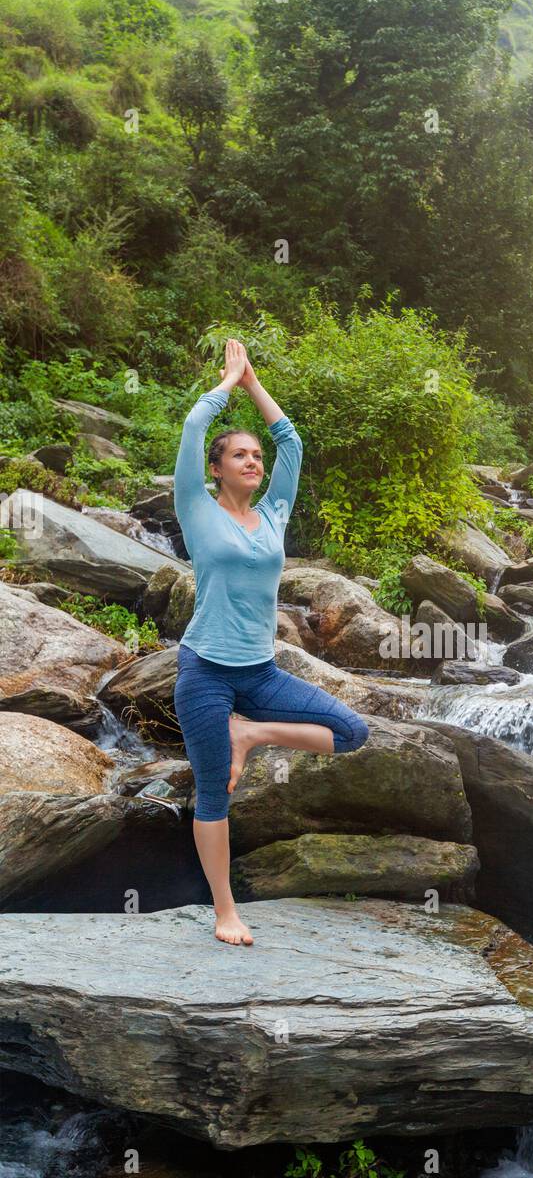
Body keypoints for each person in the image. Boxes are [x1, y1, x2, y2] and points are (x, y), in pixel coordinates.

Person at [172, 338, 370, 946]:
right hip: (206, 670)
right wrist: (227, 383)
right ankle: (225, 911)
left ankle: (249, 733)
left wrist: (255, 382)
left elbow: (293, 443)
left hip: (259, 673)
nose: (254, 461)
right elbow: (192, 424)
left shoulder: (276, 510)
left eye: (256, 455)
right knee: (213, 796)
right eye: (240, 455)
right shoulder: (197, 507)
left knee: (351, 733)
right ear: (216, 467)